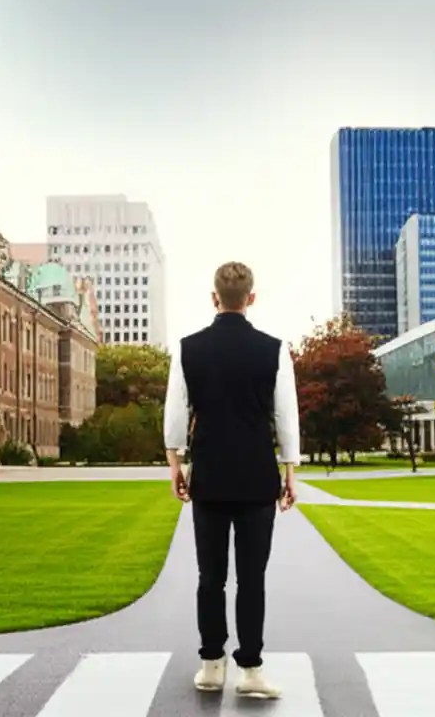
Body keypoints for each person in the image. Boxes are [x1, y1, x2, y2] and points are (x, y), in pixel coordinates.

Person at [163, 261, 300, 699]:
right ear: (252, 298)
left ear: (214, 298)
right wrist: (290, 470)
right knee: (252, 578)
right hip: (258, 475)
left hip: (210, 473)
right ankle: (251, 669)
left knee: (211, 576)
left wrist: (175, 465)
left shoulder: (188, 348)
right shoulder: (274, 349)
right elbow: (286, 416)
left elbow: (175, 413)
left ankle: (211, 664)